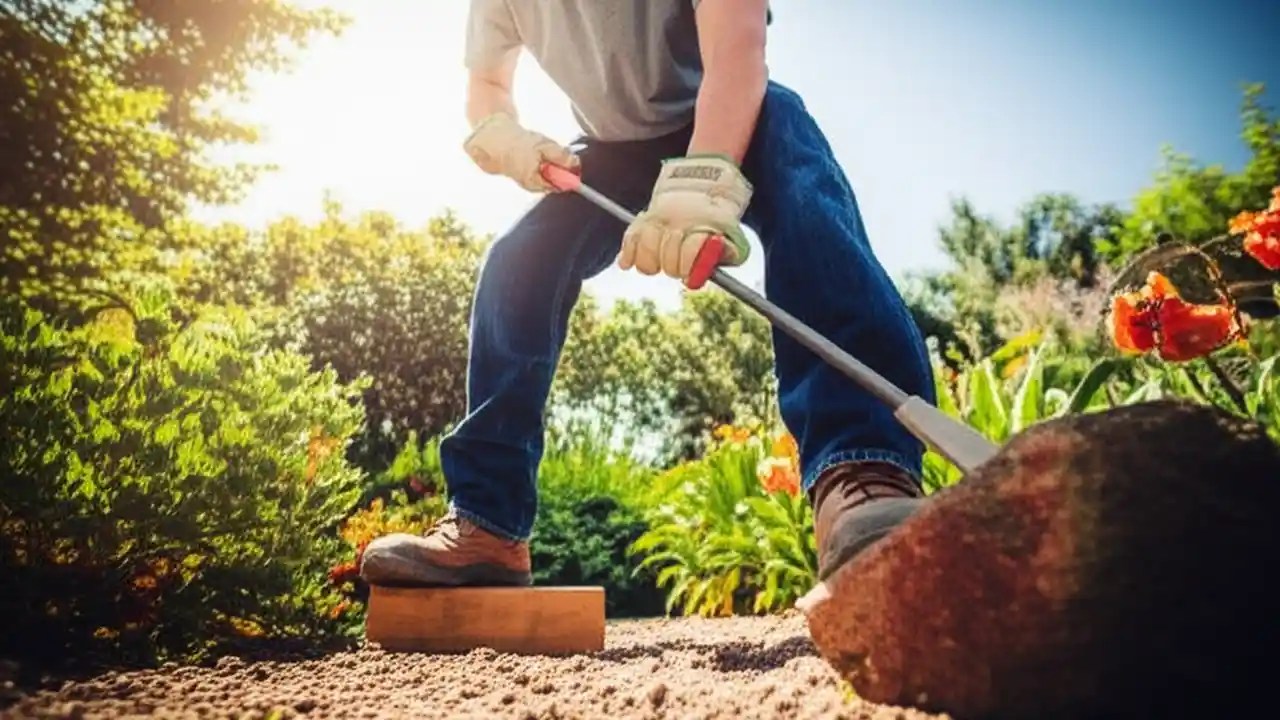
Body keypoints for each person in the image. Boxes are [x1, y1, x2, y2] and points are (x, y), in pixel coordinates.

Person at [359, 0, 936, 590]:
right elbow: (486, 82)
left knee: (806, 200)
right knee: (518, 264)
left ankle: (865, 471)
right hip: (609, 149)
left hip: (730, 103)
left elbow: (738, 51)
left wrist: (701, 183)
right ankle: (488, 527)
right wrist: (501, 130)